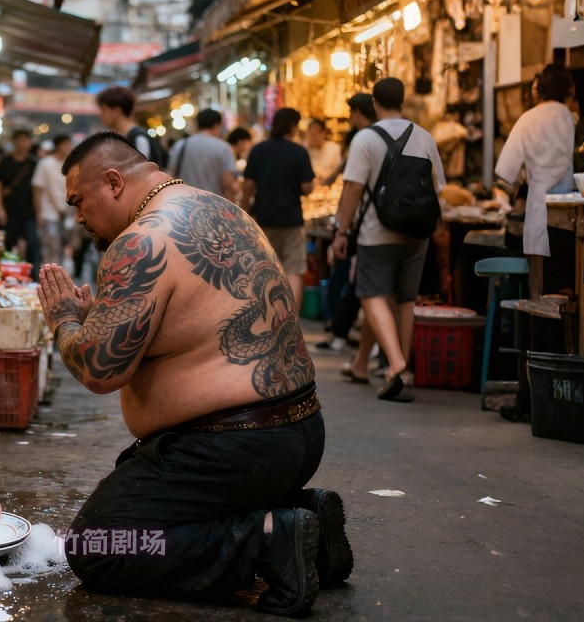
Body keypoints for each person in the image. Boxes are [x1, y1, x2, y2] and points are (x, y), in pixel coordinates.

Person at [37, 131, 351, 616]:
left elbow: (100, 370)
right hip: (299, 433)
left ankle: (270, 540)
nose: (79, 218)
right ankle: (301, 517)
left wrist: (64, 320)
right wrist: (101, 315)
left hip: (232, 448)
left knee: (99, 545)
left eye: (80, 201)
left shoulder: (141, 240)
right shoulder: (223, 209)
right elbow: (184, 323)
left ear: (114, 181)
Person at [329, 78, 445, 402]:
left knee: (371, 294)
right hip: (417, 232)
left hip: (377, 232)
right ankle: (365, 364)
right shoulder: (424, 136)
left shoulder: (366, 138)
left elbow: (353, 188)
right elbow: (438, 187)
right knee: (405, 299)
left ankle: (395, 364)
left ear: (375, 103)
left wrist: (342, 231)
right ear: (403, 101)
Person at [494, 64, 576, 257]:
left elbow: (506, 170)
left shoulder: (527, 119)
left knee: (539, 281)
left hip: (539, 209)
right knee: (565, 277)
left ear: (539, 88)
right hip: (568, 209)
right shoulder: (569, 118)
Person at [318, 94, 375, 355]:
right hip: (369, 220)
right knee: (360, 283)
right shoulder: (376, 137)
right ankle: (341, 333)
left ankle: (339, 332)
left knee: (351, 280)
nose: (349, 117)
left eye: (351, 112)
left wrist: (342, 224)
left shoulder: (365, 139)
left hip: (362, 220)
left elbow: (352, 187)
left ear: (360, 111)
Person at [242, 108, 316, 308]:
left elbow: (248, 186)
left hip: (263, 219)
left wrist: (244, 211)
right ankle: (293, 322)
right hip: (292, 219)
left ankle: (267, 317)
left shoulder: (258, 150)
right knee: (293, 270)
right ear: (292, 125)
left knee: (265, 269)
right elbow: (307, 188)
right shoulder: (299, 151)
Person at [0, 130, 41, 272]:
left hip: (28, 212)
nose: (23, 143)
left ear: (30, 142)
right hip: (9, 211)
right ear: (14, 142)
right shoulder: (5, 162)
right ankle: (0, 273)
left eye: (26, 140)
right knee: (5, 245)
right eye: (19, 140)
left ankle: (33, 278)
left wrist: (39, 212)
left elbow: (38, 189)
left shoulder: (33, 163)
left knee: (33, 246)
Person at [167, 108, 239, 201]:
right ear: (216, 125)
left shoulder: (180, 145)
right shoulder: (223, 147)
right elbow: (227, 184)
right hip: (214, 206)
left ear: (198, 125)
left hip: (186, 205)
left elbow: (171, 176)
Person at [96, 86, 169, 169]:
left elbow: (141, 172)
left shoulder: (138, 137)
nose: (100, 114)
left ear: (116, 110)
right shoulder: (121, 137)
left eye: (104, 109)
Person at [33, 133, 73, 267]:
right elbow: (37, 189)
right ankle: (49, 276)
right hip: (49, 213)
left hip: (67, 213)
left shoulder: (70, 165)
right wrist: (39, 213)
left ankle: (58, 274)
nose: (69, 147)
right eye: (66, 144)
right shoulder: (45, 164)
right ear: (59, 146)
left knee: (63, 246)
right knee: (51, 246)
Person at [303, 118, 342, 185]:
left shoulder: (334, 149)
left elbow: (339, 173)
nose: (312, 137)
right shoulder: (305, 149)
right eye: (310, 134)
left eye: (315, 134)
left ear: (323, 133)